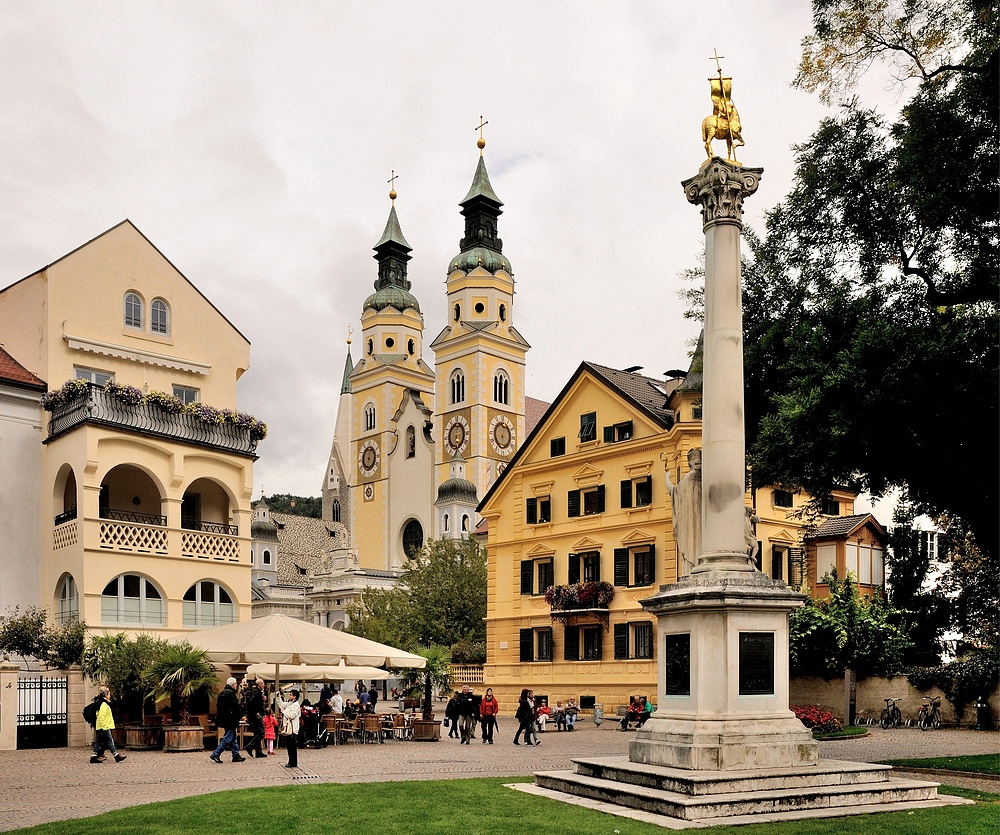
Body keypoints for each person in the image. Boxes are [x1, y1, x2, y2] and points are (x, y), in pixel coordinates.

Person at [664, 447, 702, 576]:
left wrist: (667, 479)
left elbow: (674, 492)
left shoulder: (688, 478)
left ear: (690, 463)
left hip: (690, 525)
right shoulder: (707, 478)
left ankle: (690, 568)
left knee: (690, 545)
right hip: (702, 524)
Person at [210, 677, 246, 763]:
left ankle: (236, 755)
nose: (236, 685)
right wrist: (241, 713)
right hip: (230, 719)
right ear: (233, 684)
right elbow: (235, 707)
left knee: (233, 738)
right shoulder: (230, 693)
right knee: (228, 738)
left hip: (225, 719)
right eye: (236, 684)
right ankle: (216, 753)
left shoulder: (222, 693)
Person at [89, 686, 126, 764]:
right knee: (110, 741)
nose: (110, 695)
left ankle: (94, 757)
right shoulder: (103, 704)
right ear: (106, 695)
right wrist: (104, 727)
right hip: (104, 727)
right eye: (109, 694)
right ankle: (116, 756)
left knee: (99, 742)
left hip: (101, 726)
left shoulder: (101, 703)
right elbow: (101, 716)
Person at [275, 687, 301, 768]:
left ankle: (293, 762)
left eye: (291, 695)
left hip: (292, 728)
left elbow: (291, 715)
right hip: (288, 728)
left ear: (295, 697)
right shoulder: (289, 703)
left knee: (292, 746)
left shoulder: (296, 705)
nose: (289, 696)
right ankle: (291, 761)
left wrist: (284, 711)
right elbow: (281, 705)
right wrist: (278, 697)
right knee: (289, 746)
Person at [245, 677, 266, 758]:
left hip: (252, 715)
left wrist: (262, 700)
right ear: (260, 685)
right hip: (256, 716)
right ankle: (249, 746)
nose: (264, 685)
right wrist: (256, 712)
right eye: (263, 684)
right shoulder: (257, 692)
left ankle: (258, 751)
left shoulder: (253, 691)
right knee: (261, 732)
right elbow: (252, 702)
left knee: (257, 733)